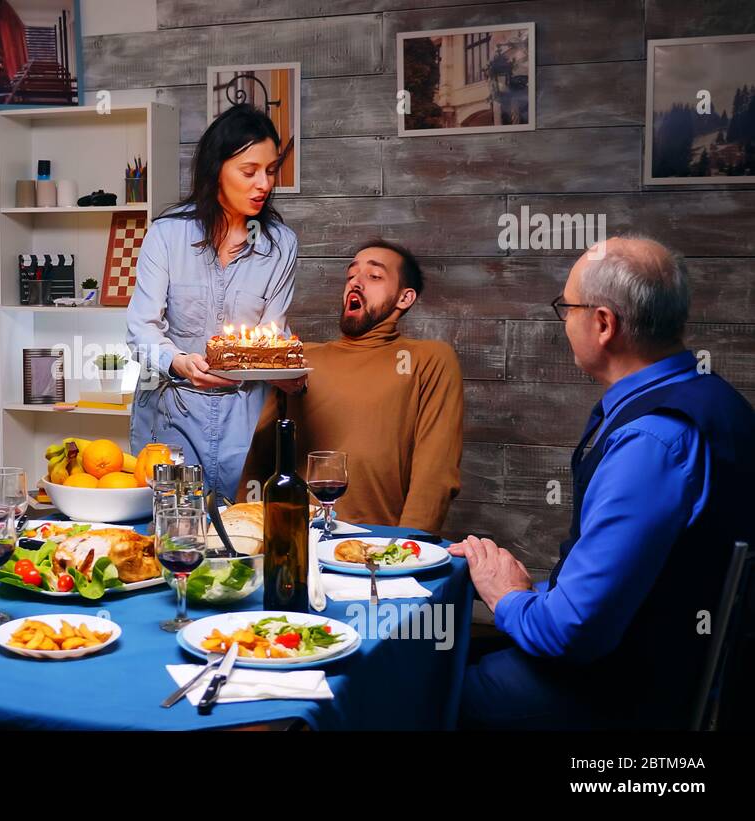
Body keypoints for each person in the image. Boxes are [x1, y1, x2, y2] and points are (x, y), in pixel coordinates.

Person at [452, 236, 755, 729]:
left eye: (566, 307)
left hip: (631, 697)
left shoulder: (651, 442)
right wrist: (530, 591)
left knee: (423, 687)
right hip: (680, 669)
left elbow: (570, 634)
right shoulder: (714, 398)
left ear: (603, 324)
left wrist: (506, 596)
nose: (564, 321)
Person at [127, 103, 302, 501]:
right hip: (170, 417)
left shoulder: (281, 245)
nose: (264, 184)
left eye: (270, 170)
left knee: (239, 539)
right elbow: (141, 329)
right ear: (216, 169)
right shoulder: (167, 235)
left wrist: (290, 369)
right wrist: (179, 361)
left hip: (244, 420)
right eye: (249, 171)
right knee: (172, 537)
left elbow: (270, 336)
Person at [237, 239, 463, 532]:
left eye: (374, 276)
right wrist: (242, 532)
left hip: (375, 544)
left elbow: (436, 473)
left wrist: (408, 547)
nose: (356, 282)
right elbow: (262, 454)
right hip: (295, 537)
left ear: (404, 298)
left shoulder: (428, 359)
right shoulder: (300, 358)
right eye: (351, 275)